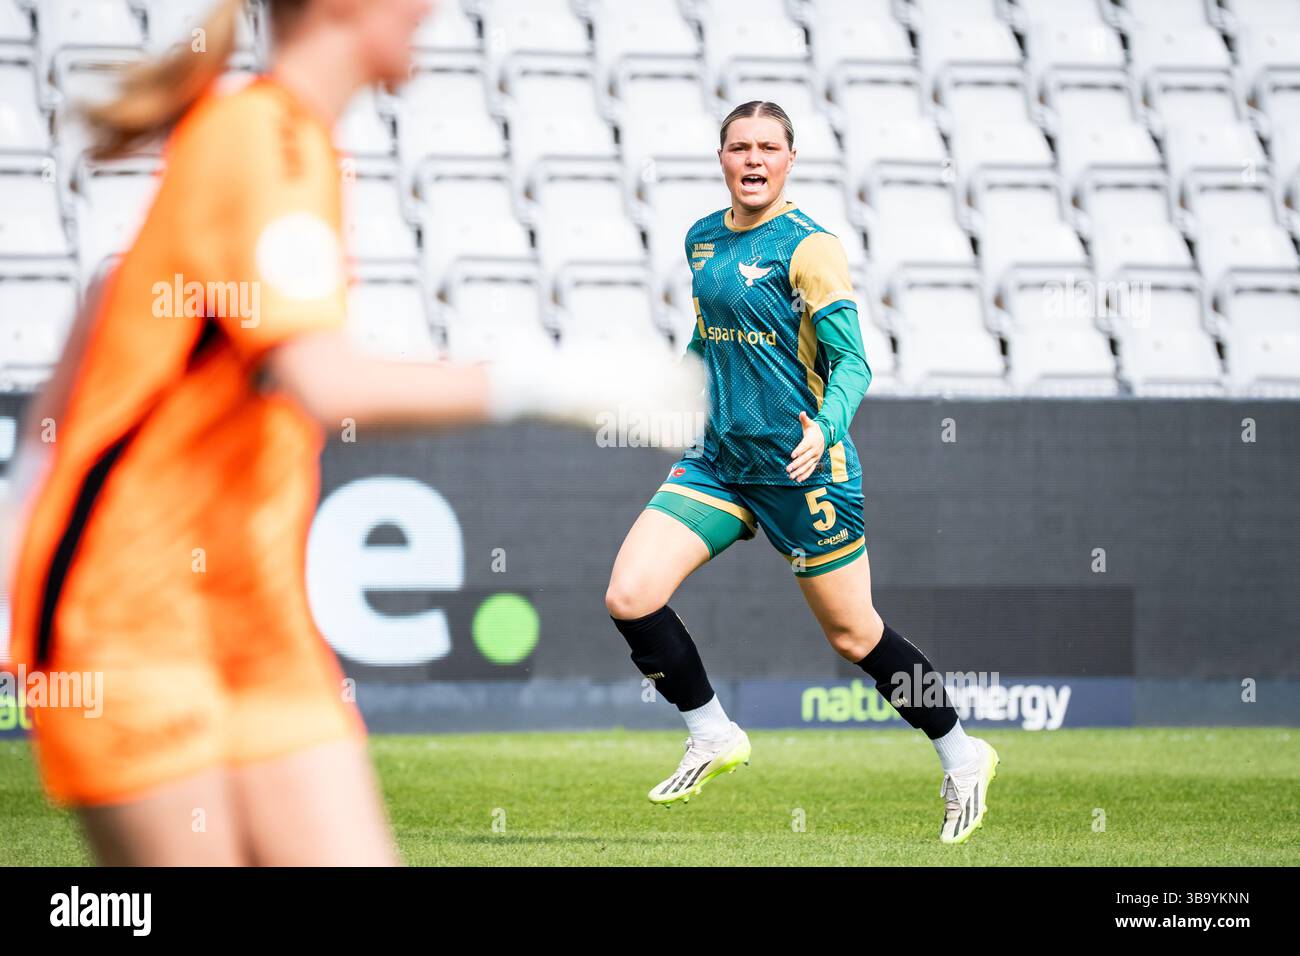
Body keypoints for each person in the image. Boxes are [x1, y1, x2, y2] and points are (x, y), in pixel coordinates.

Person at [2, 0, 701, 865]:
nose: (430, 9)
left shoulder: (284, 140)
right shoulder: (264, 139)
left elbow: (108, 303)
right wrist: (548, 380)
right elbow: (323, 382)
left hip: (255, 618)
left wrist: (26, 489)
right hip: (129, 617)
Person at [604, 101, 999, 843]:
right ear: (722, 158)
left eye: (768, 147)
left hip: (804, 467)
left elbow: (853, 362)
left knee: (854, 636)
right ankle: (712, 733)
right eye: (739, 147)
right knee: (630, 593)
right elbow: (709, 335)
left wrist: (827, 427)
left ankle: (961, 753)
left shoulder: (811, 249)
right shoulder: (700, 239)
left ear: (790, 159)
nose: (753, 159)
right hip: (722, 461)